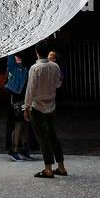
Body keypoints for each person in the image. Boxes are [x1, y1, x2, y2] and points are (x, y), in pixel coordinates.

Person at [24, 43, 66, 178]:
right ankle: (61, 167)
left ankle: (48, 169)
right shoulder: (55, 66)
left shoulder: (35, 68)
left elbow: (30, 90)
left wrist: (26, 107)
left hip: (37, 107)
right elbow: (58, 84)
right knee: (53, 137)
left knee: (43, 139)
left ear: (37, 53)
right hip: (51, 105)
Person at [4, 51, 32, 160]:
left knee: (25, 124)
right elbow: (10, 57)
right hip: (17, 98)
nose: (18, 59)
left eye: (19, 58)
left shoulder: (25, 70)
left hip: (24, 97)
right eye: (16, 58)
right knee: (19, 123)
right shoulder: (13, 68)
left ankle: (24, 149)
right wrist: (12, 53)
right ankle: (14, 150)